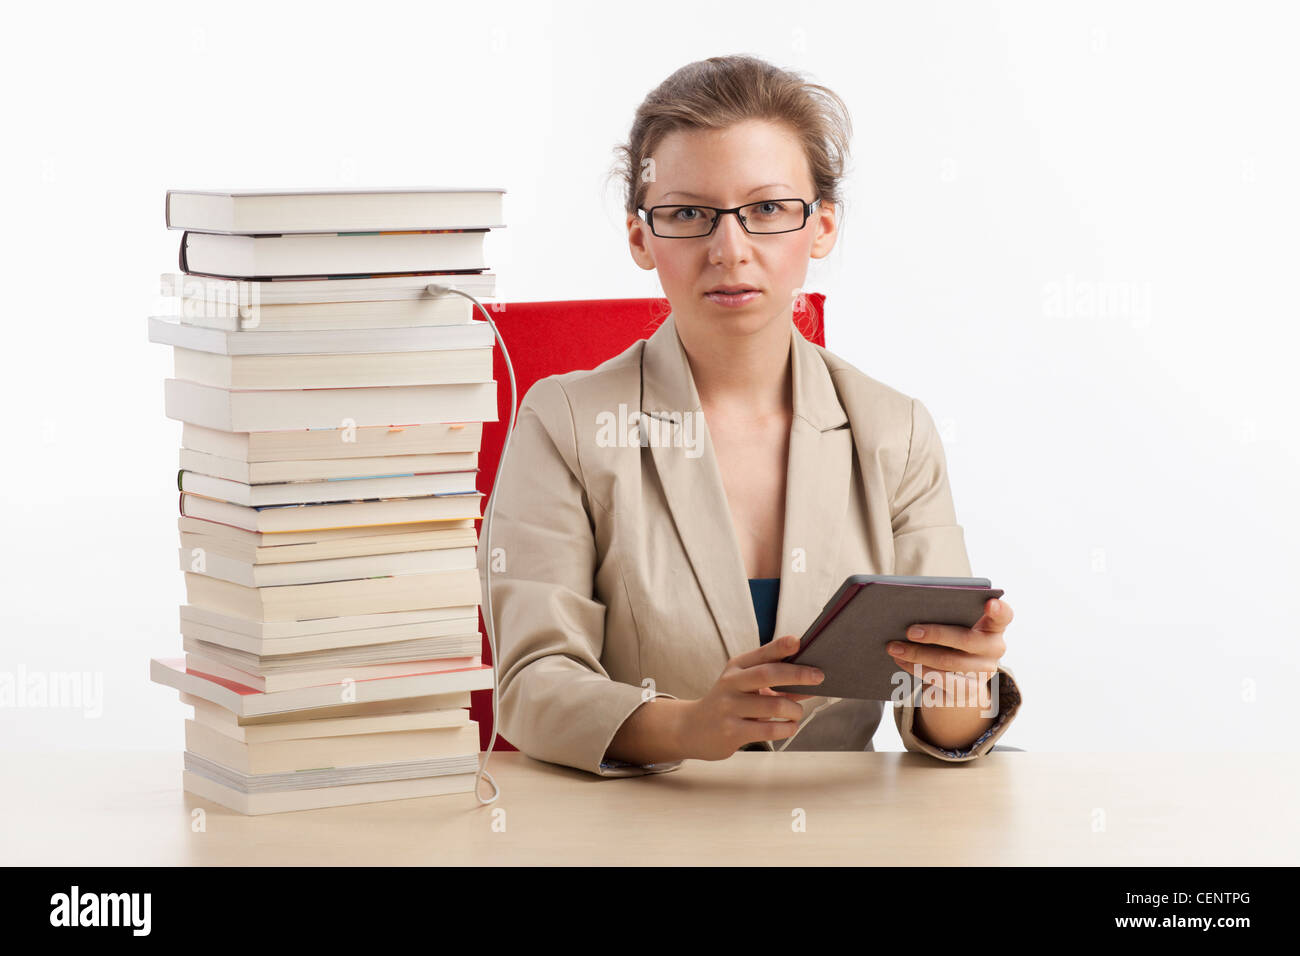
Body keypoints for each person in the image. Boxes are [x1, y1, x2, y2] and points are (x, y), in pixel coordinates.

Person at [477, 54, 1022, 777]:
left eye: (767, 209)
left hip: (841, 839)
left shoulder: (896, 431)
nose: (729, 251)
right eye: (689, 214)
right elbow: (531, 685)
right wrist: (689, 727)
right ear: (642, 237)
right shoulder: (566, 422)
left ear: (820, 227)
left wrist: (963, 678)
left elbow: (937, 715)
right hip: (637, 834)